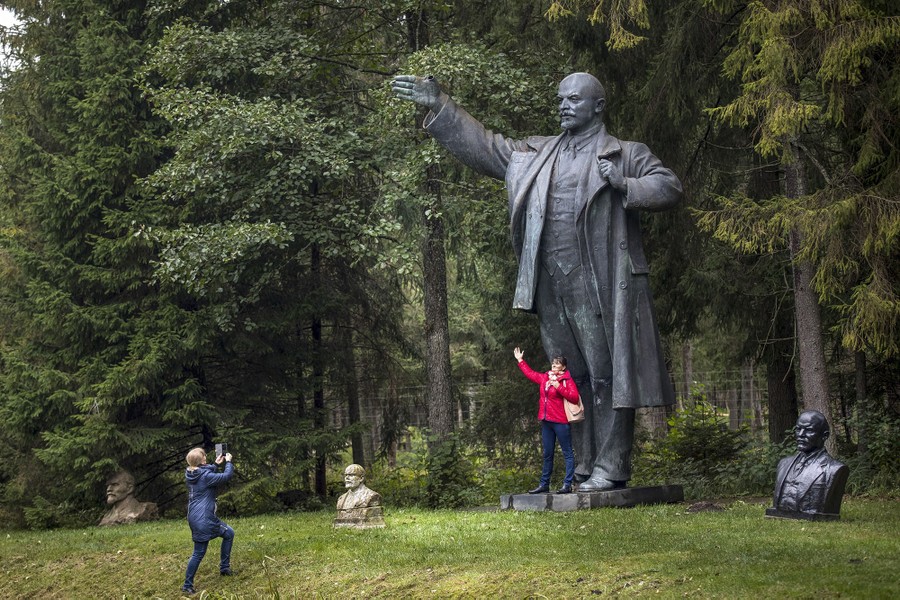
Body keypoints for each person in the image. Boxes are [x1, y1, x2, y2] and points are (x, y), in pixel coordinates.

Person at [392, 72, 682, 491]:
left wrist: (626, 185)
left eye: (574, 99)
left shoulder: (625, 154)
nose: (564, 105)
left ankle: (611, 466)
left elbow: (669, 186)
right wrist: (441, 105)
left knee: (607, 375)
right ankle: (583, 466)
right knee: (568, 378)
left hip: (601, 279)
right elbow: (486, 147)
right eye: (561, 98)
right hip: (551, 283)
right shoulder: (536, 153)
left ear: (598, 106)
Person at [514, 346, 580, 494]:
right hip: (546, 422)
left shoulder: (566, 380)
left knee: (567, 453)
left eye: (557, 364)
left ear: (563, 367)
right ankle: (544, 484)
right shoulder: (545, 377)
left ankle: (567, 484)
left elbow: (574, 397)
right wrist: (520, 360)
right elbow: (531, 374)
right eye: (553, 364)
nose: (554, 366)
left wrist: (558, 386)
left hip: (561, 422)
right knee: (548, 453)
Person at [769, 411, 849, 518]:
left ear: (824, 436)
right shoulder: (784, 464)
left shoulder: (834, 469)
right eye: (798, 429)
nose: (801, 435)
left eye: (809, 430)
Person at [181, 447, 235, 595]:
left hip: (194, 516)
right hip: (205, 518)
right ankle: (187, 585)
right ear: (202, 460)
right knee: (199, 552)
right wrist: (228, 462)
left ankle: (224, 568)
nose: (206, 459)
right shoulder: (206, 476)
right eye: (204, 457)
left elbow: (204, 471)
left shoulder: (190, 473)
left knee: (228, 533)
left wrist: (216, 465)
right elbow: (226, 476)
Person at [334, 463, 385, 528]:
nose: (347, 478)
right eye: (346, 475)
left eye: (351, 475)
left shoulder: (372, 496)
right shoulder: (341, 499)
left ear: (361, 478)